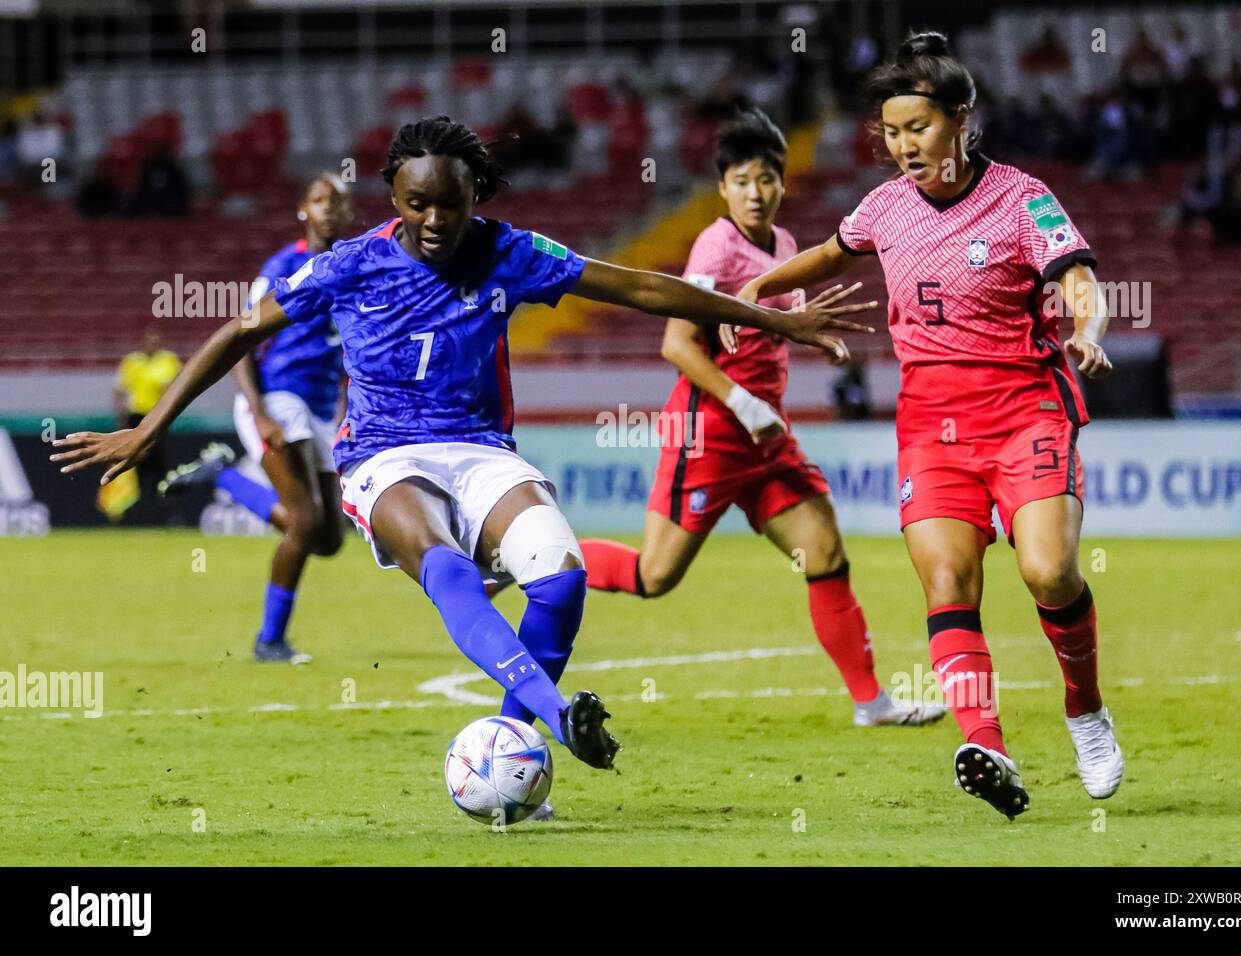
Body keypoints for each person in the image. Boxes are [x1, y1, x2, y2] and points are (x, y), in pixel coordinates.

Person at [52, 115, 868, 782]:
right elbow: (239, 329)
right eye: (417, 204)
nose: (436, 221)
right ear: (395, 198)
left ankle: (511, 754)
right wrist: (149, 427)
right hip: (380, 456)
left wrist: (773, 318)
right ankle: (553, 719)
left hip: (480, 450)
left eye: (452, 204)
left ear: (475, 193)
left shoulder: (510, 251)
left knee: (563, 574)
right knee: (440, 563)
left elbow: (640, 287)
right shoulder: (350, 263)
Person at [738, 34, 1121, 819]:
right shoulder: (883, 207)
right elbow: (826, 253)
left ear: (960, 119)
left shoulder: (1021, 197)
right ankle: (987, 742)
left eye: (918, 127)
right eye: (891, 132)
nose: (903, 145)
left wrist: (1089, 328)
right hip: (930, 424)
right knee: (948, 581)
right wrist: (750, 298)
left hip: (1025, 410)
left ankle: (1084, 709)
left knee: (1049, 571)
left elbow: (1077, 277)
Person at [579, 109, 942, 729]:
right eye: (743, 180)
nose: (756, 191)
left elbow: (770, 331)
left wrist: (817, 343)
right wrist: (742, 403)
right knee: (654, 575)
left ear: (782, 183)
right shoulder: (715, 245)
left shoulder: (787, 247)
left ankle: (870, 702)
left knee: (823, 549)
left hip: (766, 438)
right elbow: (677, 343)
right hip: (713, 431)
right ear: (723, 187)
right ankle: (531, 557)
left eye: (767, 178)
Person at [158, 173, 354, 663]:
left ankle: (222, 474)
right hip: (277, 399)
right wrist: (261, 410)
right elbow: (241, 339)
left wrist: (348, 407)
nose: (329, 209)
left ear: (349, 215)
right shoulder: (285, 265)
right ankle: (270, 640)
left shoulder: (355, 267)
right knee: (304, 523)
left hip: (319, 407)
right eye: (319, 200)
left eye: (338, 202)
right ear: (303, 210)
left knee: (329, 538)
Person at [113, 327, 181, 517]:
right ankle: (143, 505)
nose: (152, 343)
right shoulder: (132, 362)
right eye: (149, 339)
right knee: (138, 462)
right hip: (137, 417)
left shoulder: (168, 360)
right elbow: (120, 390)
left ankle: (165, 506)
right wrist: (121, 418)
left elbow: (177, 387)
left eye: (155, 339)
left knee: (160, 462)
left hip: (159, 416)